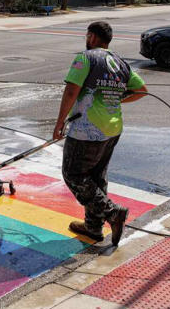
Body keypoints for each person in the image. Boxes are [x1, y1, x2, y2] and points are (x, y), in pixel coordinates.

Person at [53, 21, 147, 247]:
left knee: (73, 174)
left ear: (93, 37)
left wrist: (59, 123)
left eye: (88, 35)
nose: (87, 39)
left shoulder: (85, 58)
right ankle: (93, 228)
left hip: (88, 129)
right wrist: (115, 99)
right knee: (96, 177)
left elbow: (71, 90)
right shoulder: (121, 63)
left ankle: (112, 212)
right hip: (113, 129)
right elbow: (142, 90)